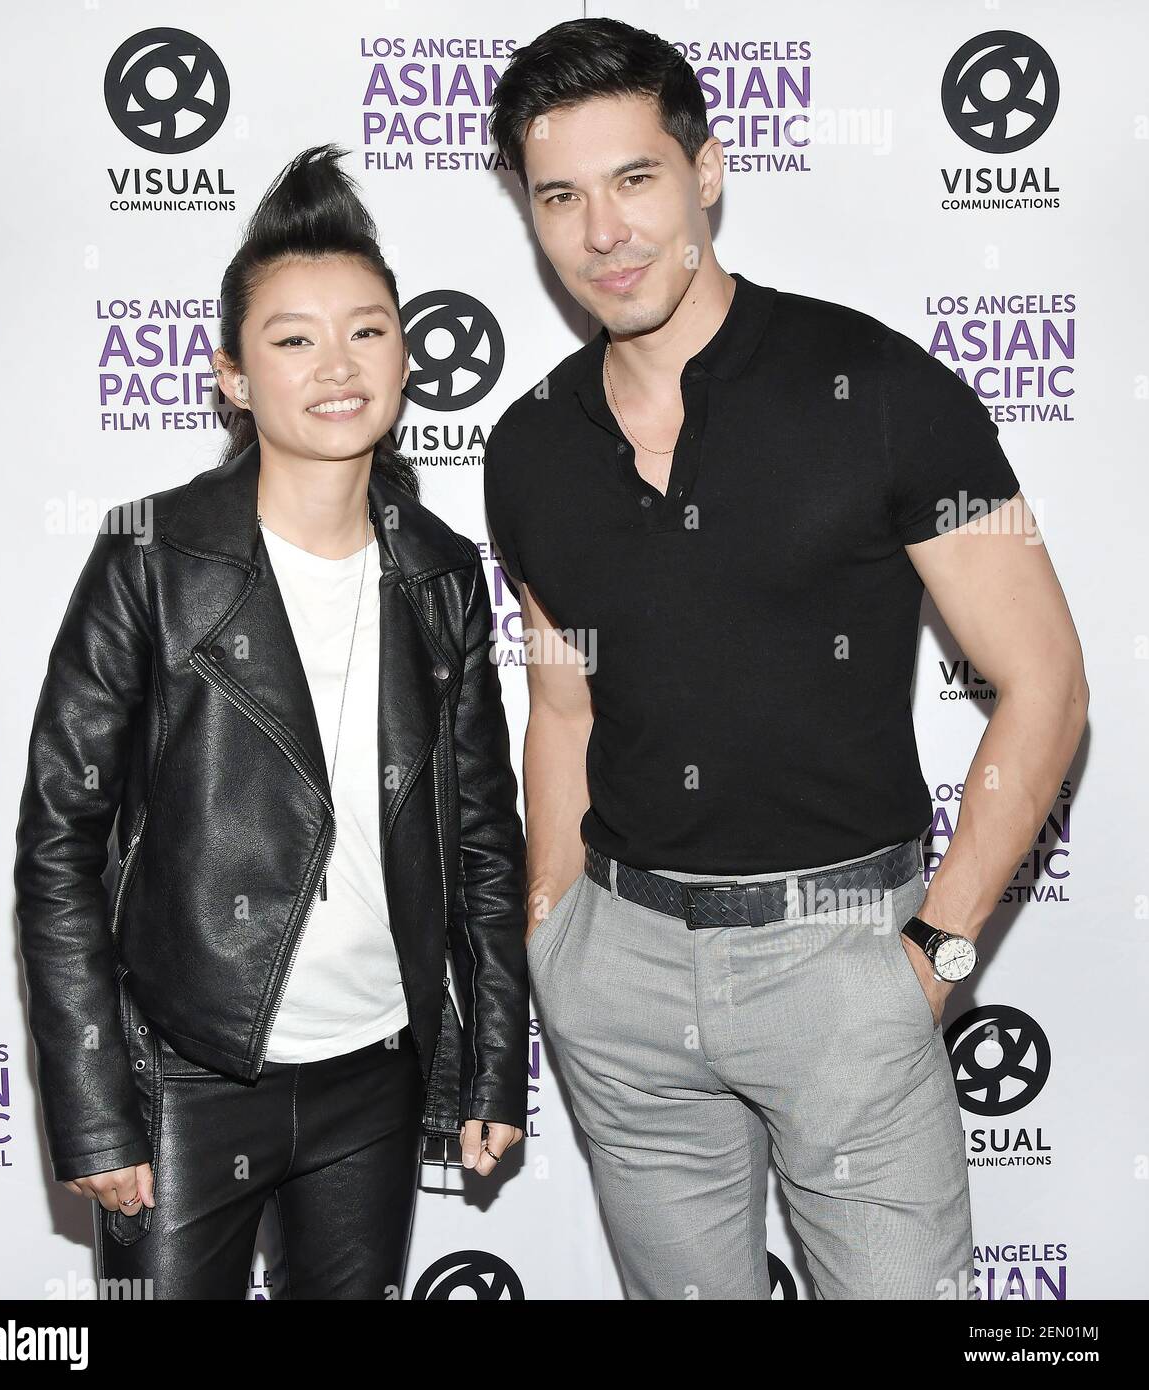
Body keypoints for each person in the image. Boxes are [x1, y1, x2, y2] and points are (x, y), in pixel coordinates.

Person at [483, 19, 1088, 1300]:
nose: (605, 232)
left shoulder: (879, 388)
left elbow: (1047, 685)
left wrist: (940, 954)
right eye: (562, 196)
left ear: (707, 169)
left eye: (636, 179)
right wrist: (554, 927)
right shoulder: (527, 445)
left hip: (846, 964)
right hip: (621, 974)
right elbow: (562, 700)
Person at [13, 145, 528, 1300]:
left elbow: (488, 841)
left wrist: (493, 1059)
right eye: (293, 338)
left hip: (377, 1076)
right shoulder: (152, 554)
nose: (337, 365)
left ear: (405, 351)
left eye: (367, 329)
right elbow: (60, 844)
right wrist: (97, 1108)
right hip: (186, 1073)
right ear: (234, 378)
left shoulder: (440, 573)